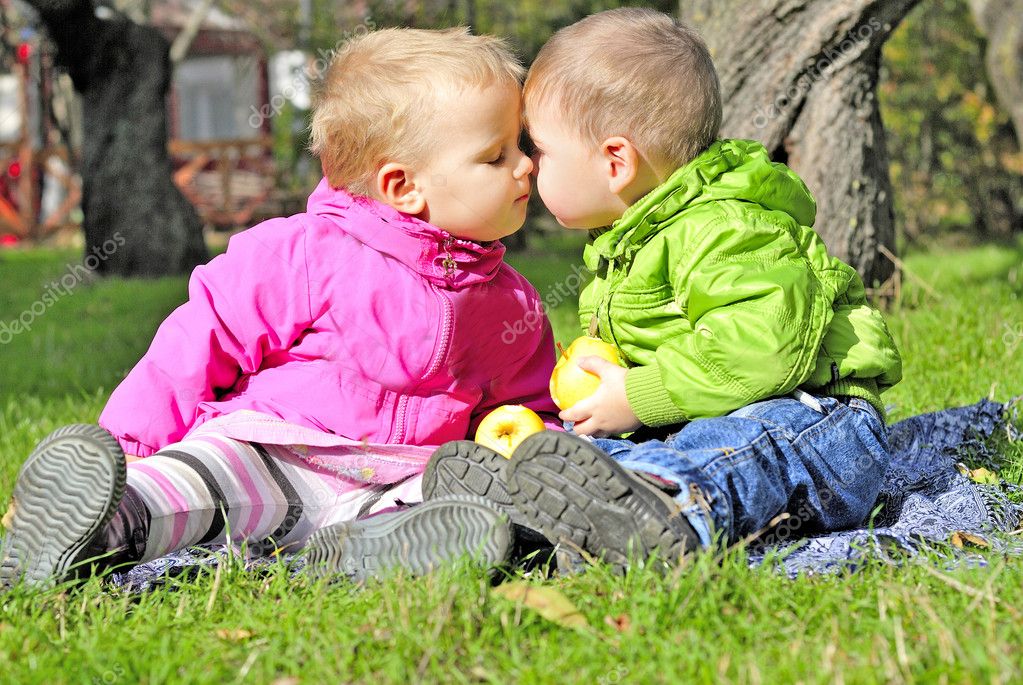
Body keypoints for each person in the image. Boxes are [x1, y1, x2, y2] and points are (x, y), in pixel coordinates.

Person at [0, 27, 558, 590]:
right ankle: (104, 518)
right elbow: (192, 349)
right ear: (402, 184)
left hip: (397, 478)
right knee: (203, 481)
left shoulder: (514, 303)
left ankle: (376, 548)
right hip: (275, 451)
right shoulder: (304, 253)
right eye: (496, 155)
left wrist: (528, 446)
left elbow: (528, 407)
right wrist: (128, 453)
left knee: (456, 488)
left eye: (521, 147)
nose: (526, 166)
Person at [424, 7, 903, 572]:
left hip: (821, 424)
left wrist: (639, 395)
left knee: (739, 450)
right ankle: (535, 511)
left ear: (615, 161)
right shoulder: (635, 238)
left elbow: (764, 348)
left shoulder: (724, 226)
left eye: (540, 149)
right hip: (711, 415)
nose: (526, 165)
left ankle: (671, 510)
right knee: (614, 454)